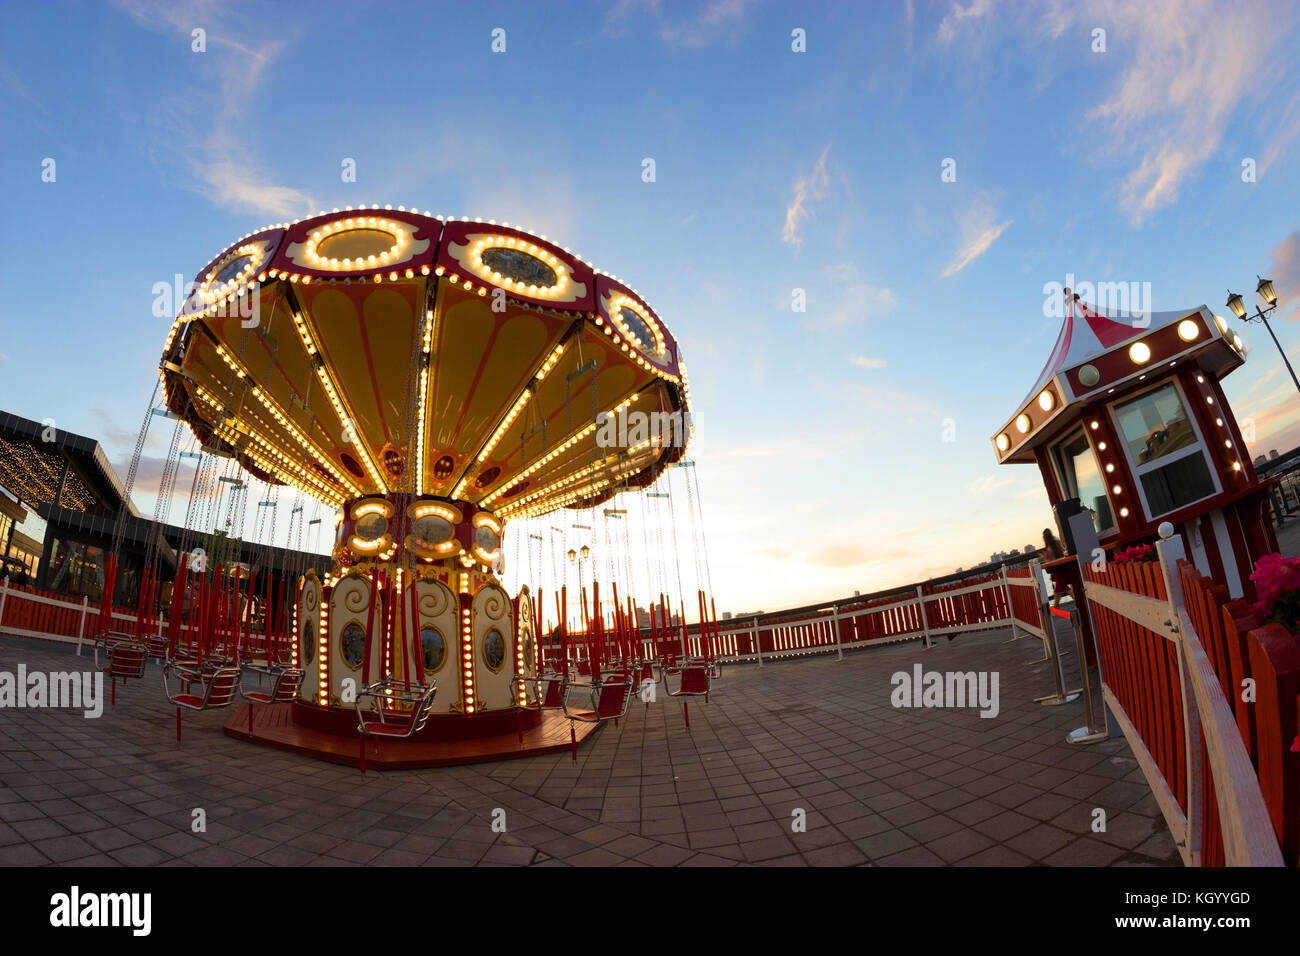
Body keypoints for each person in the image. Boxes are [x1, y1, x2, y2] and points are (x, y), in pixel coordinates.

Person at [1042, 528, 1067, 606]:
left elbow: (1049, 561)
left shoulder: (1049, 547)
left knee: (1065, 588)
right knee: (1057, 590)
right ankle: (1055, 608)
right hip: (1063, 565)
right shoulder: (1056, 540)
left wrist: (1044, 557)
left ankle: (1079, 602)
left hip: (1056, 569)